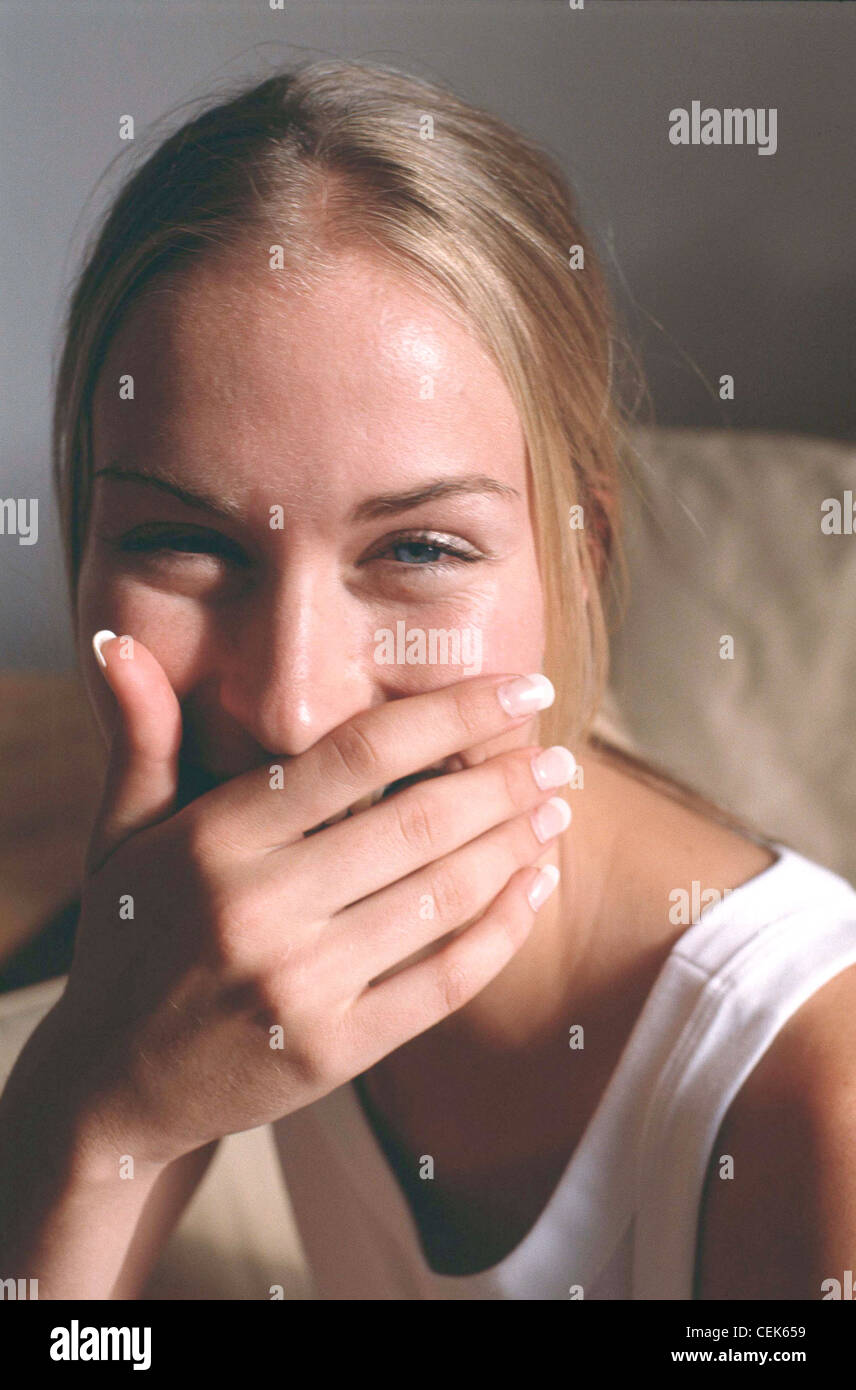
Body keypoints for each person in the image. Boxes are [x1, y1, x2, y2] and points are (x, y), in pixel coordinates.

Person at [1, 59, 855, 1301]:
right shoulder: (221, 964)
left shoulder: (817, 1118)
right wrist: (98, 1108)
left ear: (581, 561)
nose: (293, 710)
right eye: (182, 541)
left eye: (417, 550)